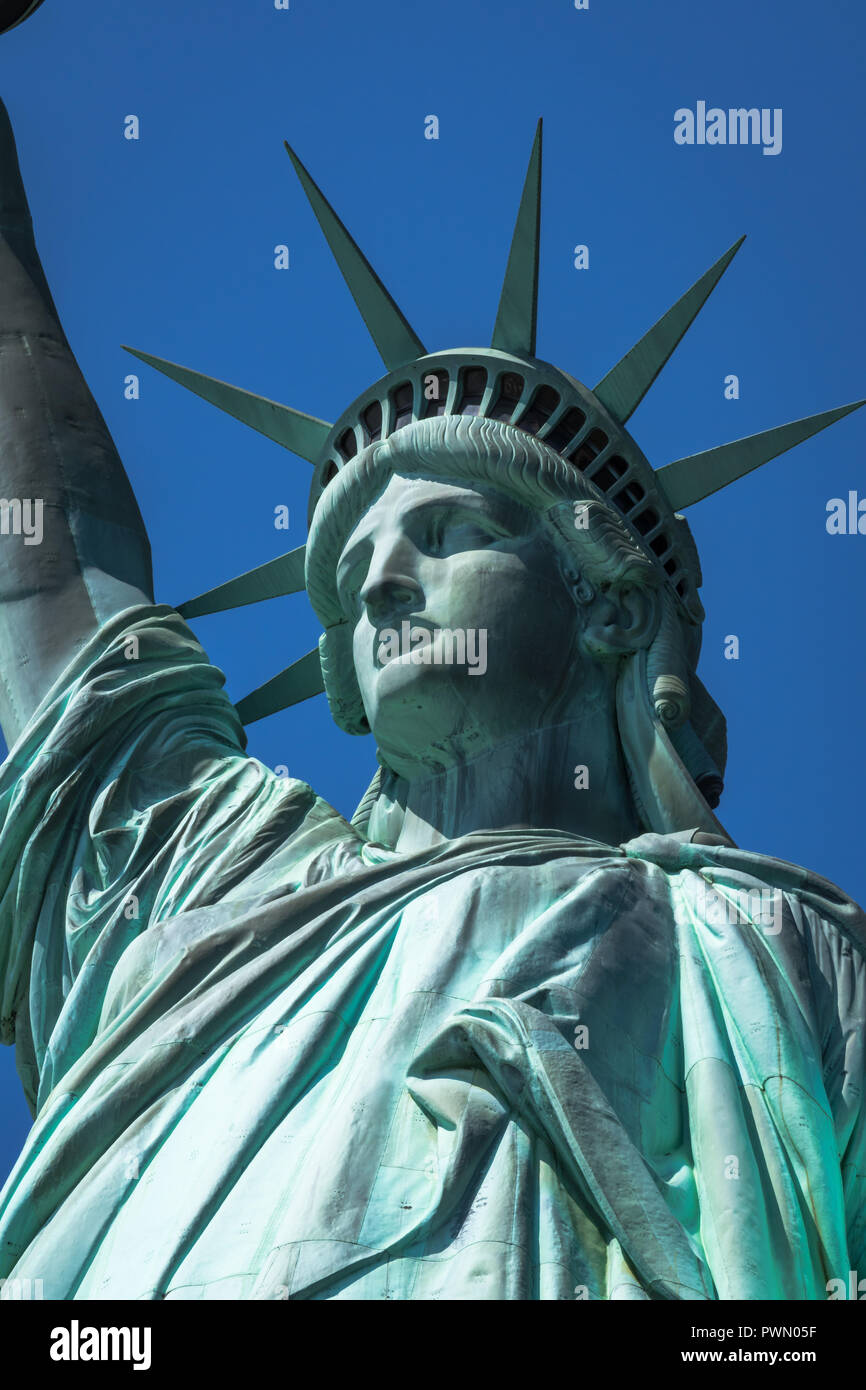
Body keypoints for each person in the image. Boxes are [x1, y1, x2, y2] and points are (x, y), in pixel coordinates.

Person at [0, 97, 862, 1302]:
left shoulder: (780, 952)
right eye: (352, 577)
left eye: (450, 530)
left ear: (607, 606)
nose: (384, 581)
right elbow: (53, 583)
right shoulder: (212, 894)